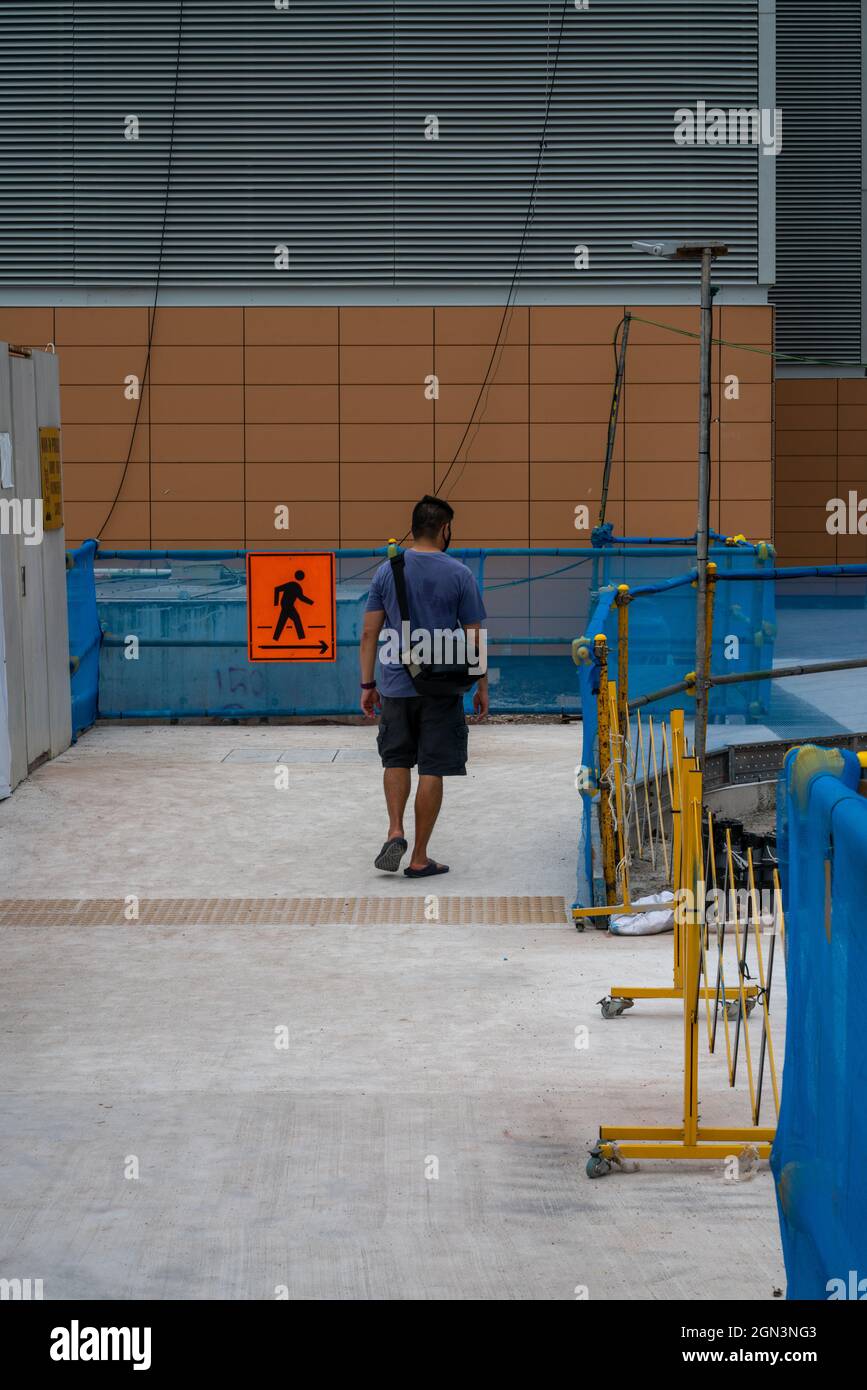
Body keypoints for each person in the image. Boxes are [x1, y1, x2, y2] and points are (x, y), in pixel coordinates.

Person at [360, 496, 488, 878]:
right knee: (433, 767)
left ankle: (394, 829)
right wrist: (481, 686)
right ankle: (419, 856)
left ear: (414, 528)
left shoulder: (387, 570)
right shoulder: (460, 574)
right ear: (445, 529)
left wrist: (368, 684)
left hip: (397, 683)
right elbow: (475, 638)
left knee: (396, 758)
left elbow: (369, 633)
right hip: (443, 687)